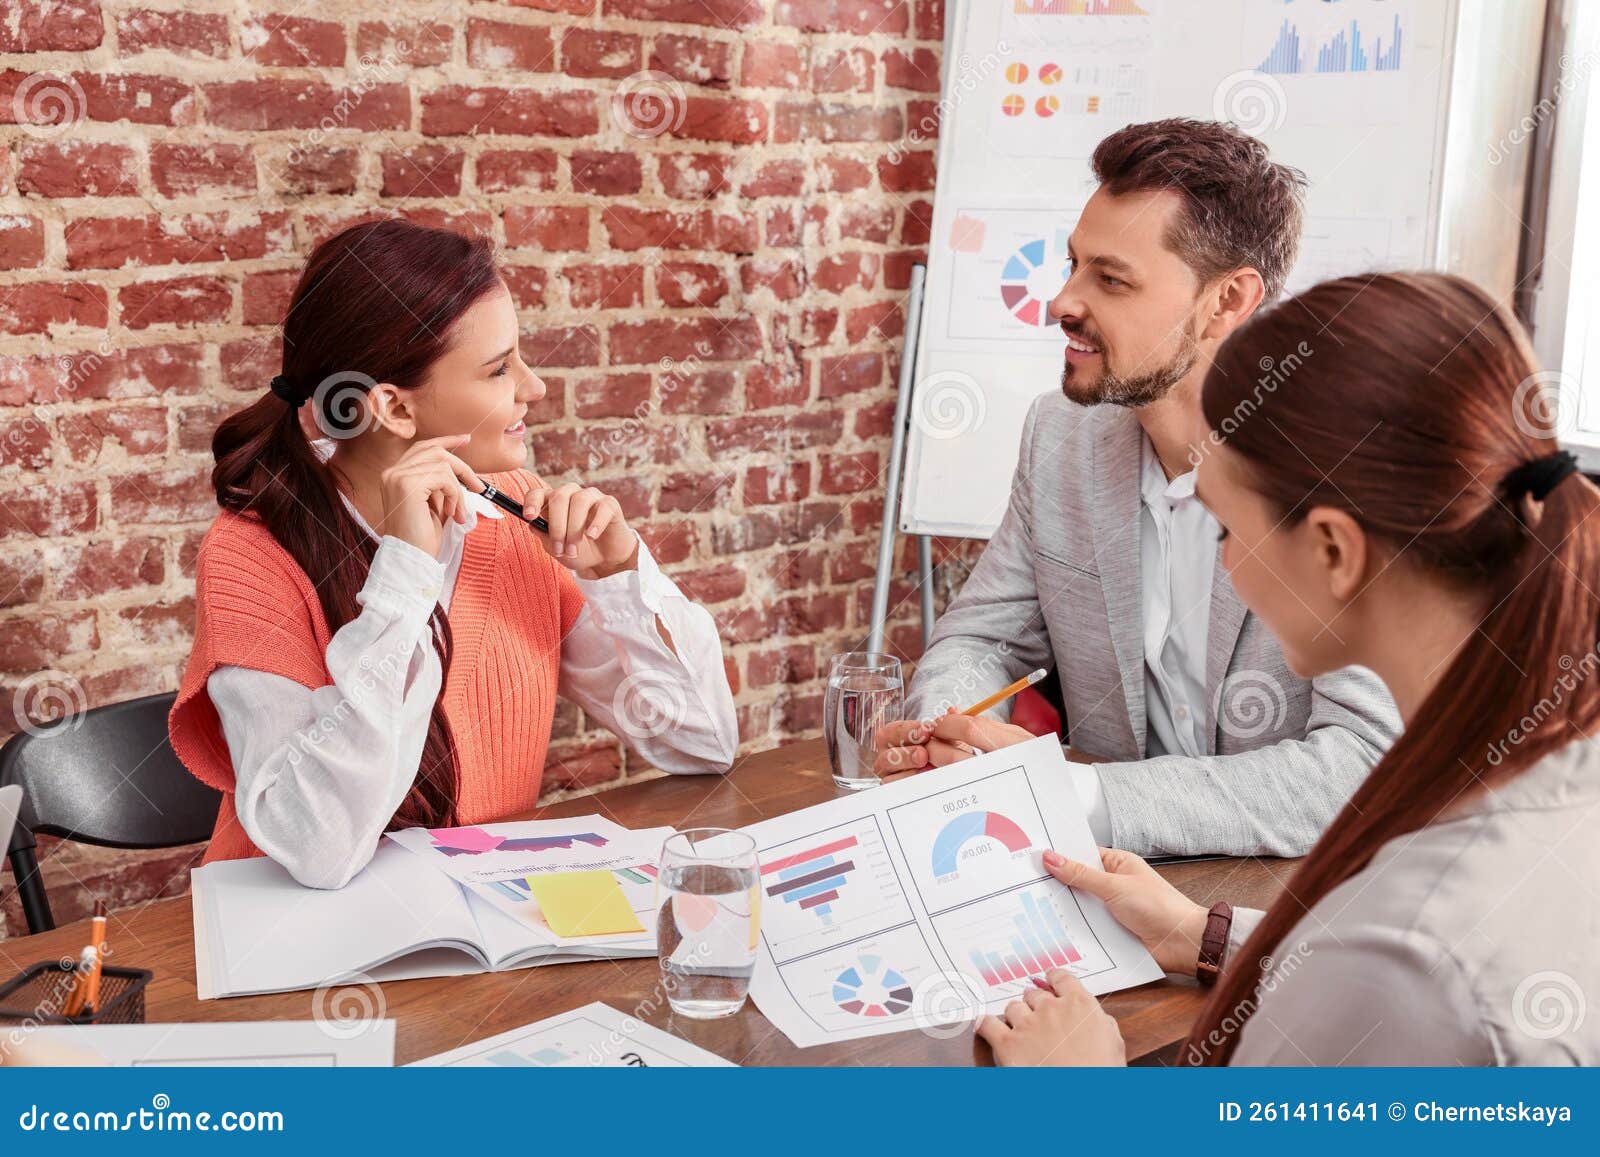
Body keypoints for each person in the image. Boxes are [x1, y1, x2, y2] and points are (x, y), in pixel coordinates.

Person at [978, 271, 1600, 1066]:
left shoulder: (1407, 958)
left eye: (1228, 529)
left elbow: (1382, 993)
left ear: (1335, 551)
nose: (1227, 566)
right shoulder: (1540, 769)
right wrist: (1201, 933)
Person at [880, 118, 1400, 858]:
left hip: (1288, 911)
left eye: (1111, 279)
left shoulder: (1344, 464)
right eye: (1073, 265)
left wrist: (1078, 796)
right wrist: (955, 739)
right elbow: (980, 638)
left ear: (1227, 302)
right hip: (1101, 892)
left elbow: (1361, 769)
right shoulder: (1061, 437)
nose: (1061, 301)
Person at [169, 220, 737, 889]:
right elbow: (320, 849)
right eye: (500, 368)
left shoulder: (518, 516)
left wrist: (621, 574)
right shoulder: (251, 553)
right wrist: (405, 576)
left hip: (475, 935)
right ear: (394, 409)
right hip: (294, 949)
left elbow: (702, 744)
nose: (535, 387)